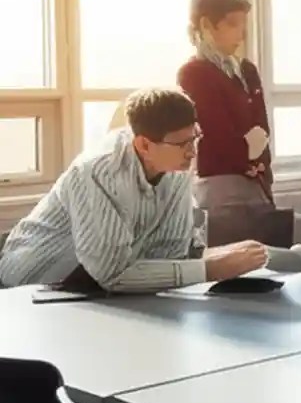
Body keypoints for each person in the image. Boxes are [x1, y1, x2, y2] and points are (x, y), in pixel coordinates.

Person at [0, 89, 267, 291]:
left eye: (194, 138)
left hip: (89, 289)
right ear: (144, 145)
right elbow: (111, 273)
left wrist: (226, 258)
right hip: (30, 284)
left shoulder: (175, 166)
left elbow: (170, 255)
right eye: (182, 144)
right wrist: (211, 269)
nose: (192, 152)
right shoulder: (97, 172)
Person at [176, 0, 276, 246]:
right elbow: (216, 132)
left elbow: (262, 127)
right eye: (232, 24)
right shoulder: (193, 72)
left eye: (243, 24)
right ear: (206, 25)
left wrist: (261, 165)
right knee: (229, 259)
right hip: (220, 186)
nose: (241, 34)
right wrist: (248, 155)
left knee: (268, 257)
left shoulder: (246, 70)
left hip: (257, 184)